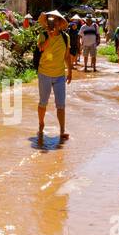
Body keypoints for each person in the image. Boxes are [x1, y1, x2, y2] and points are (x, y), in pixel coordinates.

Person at [36, 11, 73, 145]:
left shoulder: (65, 37)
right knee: (43, 103)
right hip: (44, 73)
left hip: (59, 75)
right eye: (52, 20)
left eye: (56, 20)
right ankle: (41, 124)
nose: (54, 23)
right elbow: (41, 48)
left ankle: (62, 130)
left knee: (61, 105)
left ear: (60, 22)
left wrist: (70, 71)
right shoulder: (43, 34)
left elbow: (67, 56)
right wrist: (49, 37)